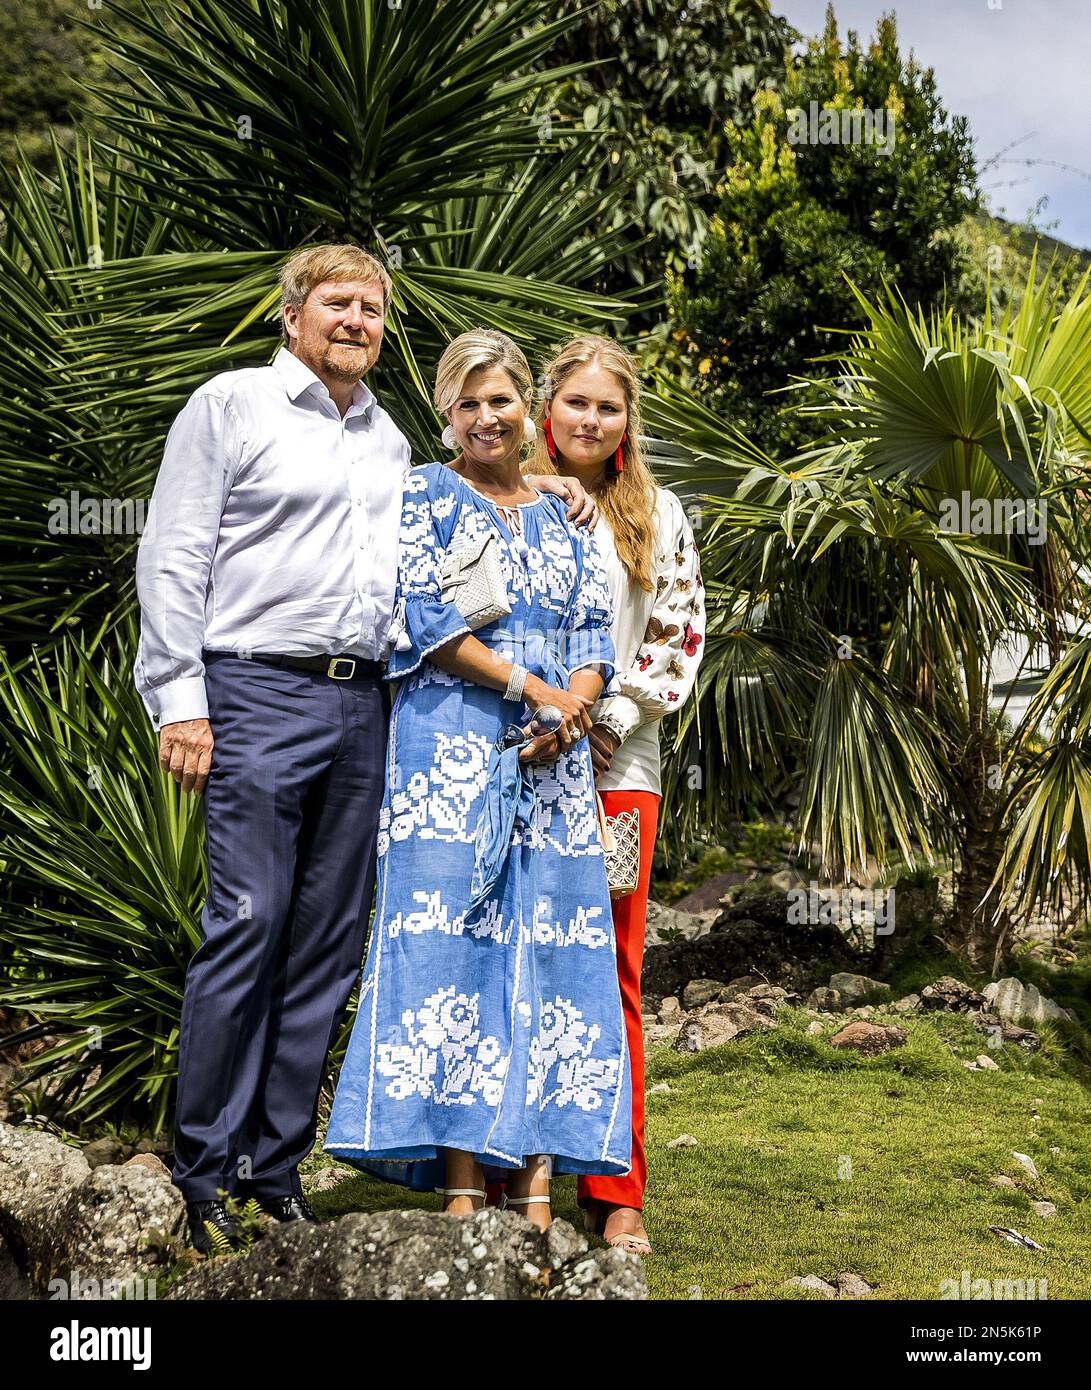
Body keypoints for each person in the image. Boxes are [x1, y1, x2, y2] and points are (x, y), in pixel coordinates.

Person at [133, 246, 596, 1253]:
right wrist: (179, 697)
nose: (355, 319)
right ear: (293, 312)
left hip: (362, 708)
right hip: (251, 686)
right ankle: (202, 1168)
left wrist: (564, 493)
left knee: (328, 943)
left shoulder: (389, 440)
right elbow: (173, 548)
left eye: (373, 307)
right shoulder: (233, 405)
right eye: (337, 302)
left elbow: (478, 502)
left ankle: (276, 1165)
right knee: (246, 925)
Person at [323, 329, 632, 1228]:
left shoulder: (562, 511)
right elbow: (419, 616)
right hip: (448, 751)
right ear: (446, 413)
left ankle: (537, 1180)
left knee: (553, 950)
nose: (486, 417)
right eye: (468, 403)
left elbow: (589, 635)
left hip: (554, 759)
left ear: (523, 407)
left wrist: (569, 708)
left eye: (500, 399)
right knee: (451, 948)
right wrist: (529, 689)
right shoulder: (422, 495)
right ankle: (462, 1178)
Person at [532, 334, 706, 1255]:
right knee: (517, 967)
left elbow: (675, 639)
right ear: (545, 408)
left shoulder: (658, 510)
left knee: (612, 975)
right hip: (512, 766)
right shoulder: (506, 492)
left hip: (615, 776)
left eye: (610, 407)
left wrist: (604, 721)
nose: (592, 420)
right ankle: (509, 1176)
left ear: (626, 419)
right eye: (577, 404)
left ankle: (615, 1189)